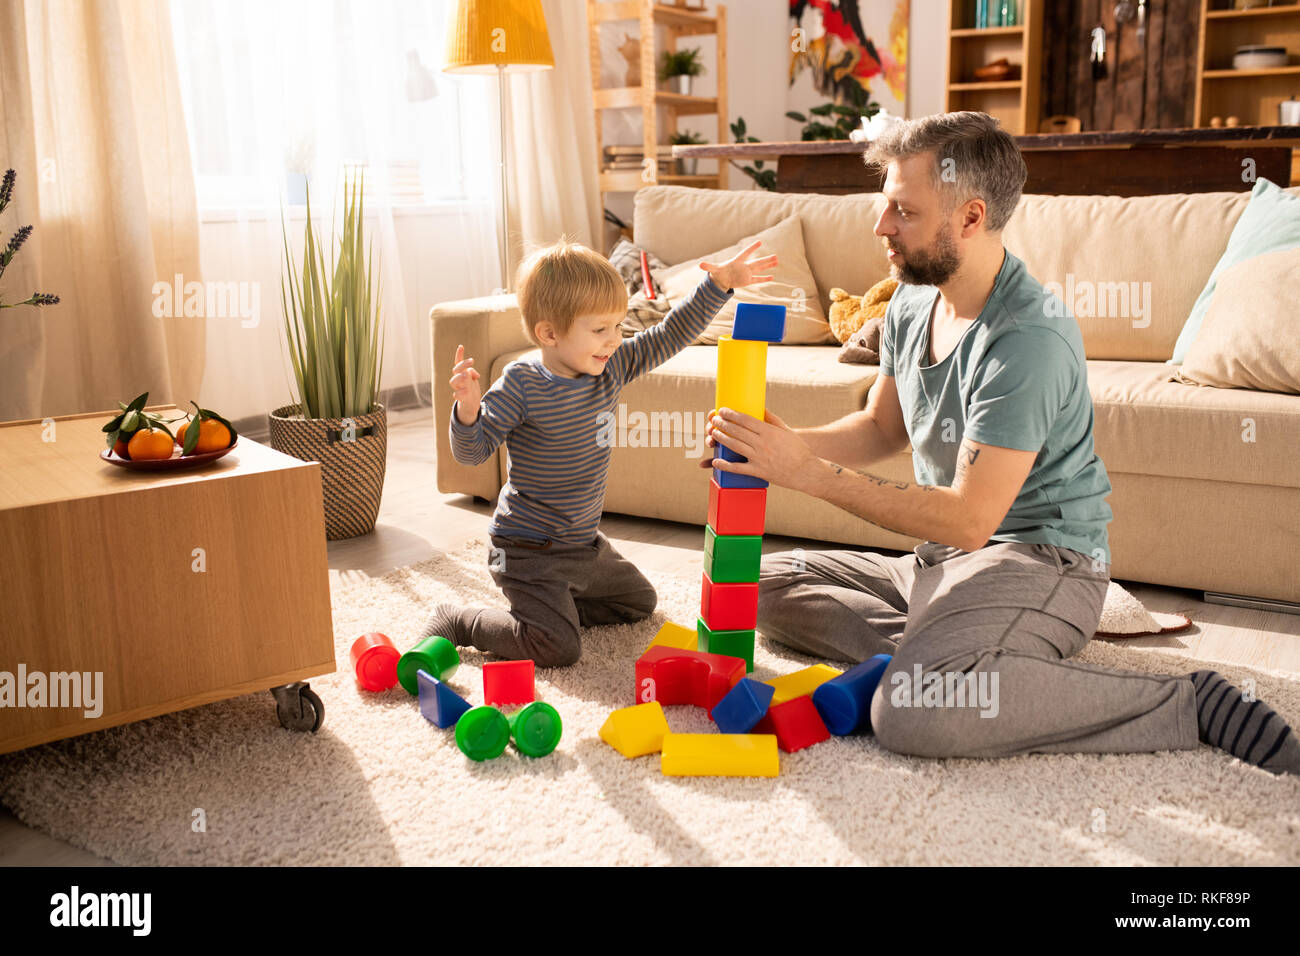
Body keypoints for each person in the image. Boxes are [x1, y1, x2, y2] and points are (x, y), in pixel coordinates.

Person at [703, 111, 1299, 776]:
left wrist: (807, 474)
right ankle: (967, 655)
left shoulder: (1026, 337)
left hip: (1041, 561)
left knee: (910, 712)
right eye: (883, 205)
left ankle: (1187, 702)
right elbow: (881, 428)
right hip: (940, 564)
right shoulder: (908, 300)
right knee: (762, 584)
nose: (880, 227)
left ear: (969, 216)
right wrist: (769, 446)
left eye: (902, 210)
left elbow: (970, 520)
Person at [421, 236, 777, 667]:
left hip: (583, 545)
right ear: (549, 333)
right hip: (526, 551)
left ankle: (557, 611)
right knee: (558, 649)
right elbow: (472, 452)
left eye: (618, 326)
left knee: (639, 602)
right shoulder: (522, 383)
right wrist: (468, 409)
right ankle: (464, 621)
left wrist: (717, 287)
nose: (614, 340)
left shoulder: (614, 365)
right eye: (599, 329)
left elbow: (669, 334)